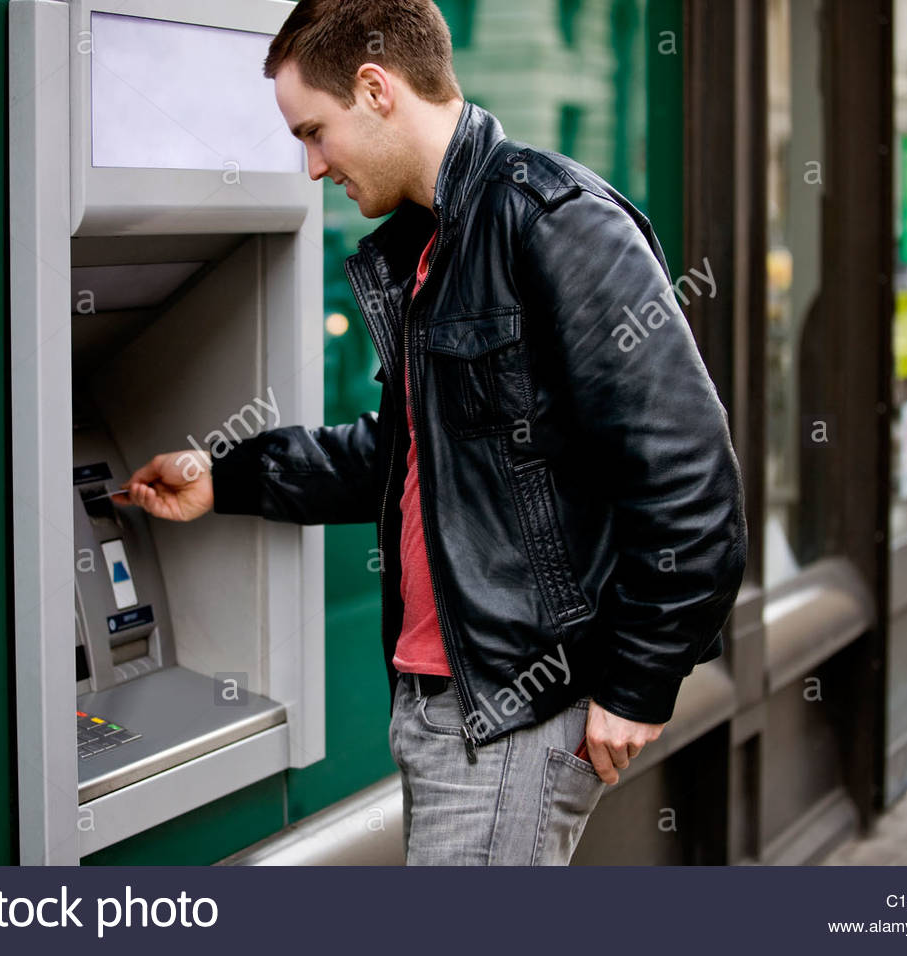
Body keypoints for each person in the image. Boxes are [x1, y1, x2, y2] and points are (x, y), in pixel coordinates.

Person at [116, 0, 747, 865]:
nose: (311, 167)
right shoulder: (429, 245)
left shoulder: (553, 220)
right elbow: (405, 456)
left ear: (375, 87)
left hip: (517, 704)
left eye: (315, 132)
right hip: (442, 699)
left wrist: (639, 683)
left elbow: (692, 477)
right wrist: (226, 477)